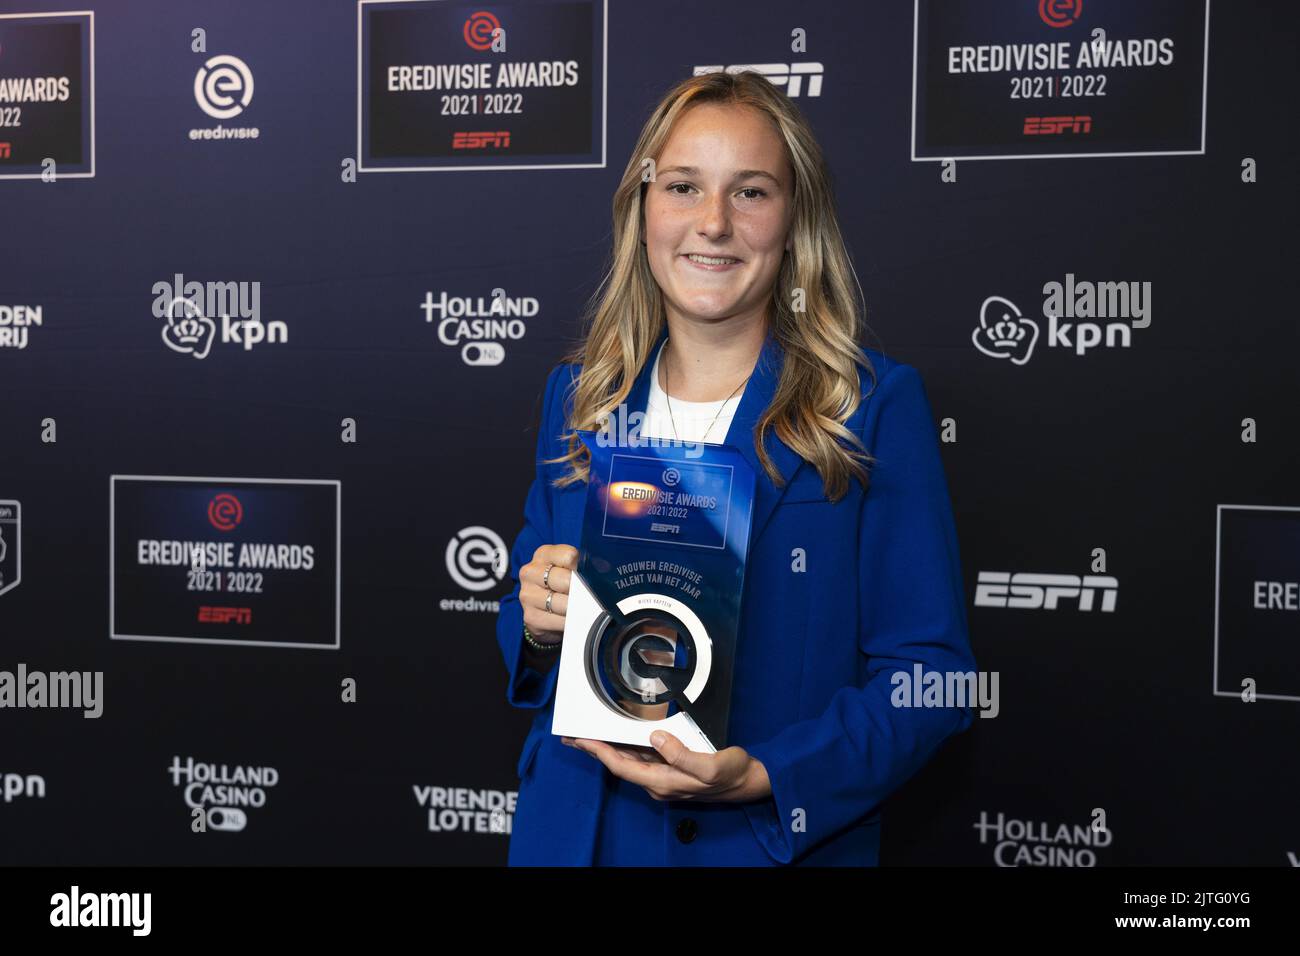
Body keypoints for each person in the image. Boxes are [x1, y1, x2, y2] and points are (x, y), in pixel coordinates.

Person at [494, 70, 977, 866]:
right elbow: (528, 630)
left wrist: (766, 774)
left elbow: (932, 680)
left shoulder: (870, 408)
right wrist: (540, 622)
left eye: (750, 192)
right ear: (643, 208)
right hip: (576, 838)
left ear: (795, 222)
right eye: (683, 186)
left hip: (761, 846)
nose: (712, 223)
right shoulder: (579, 400)